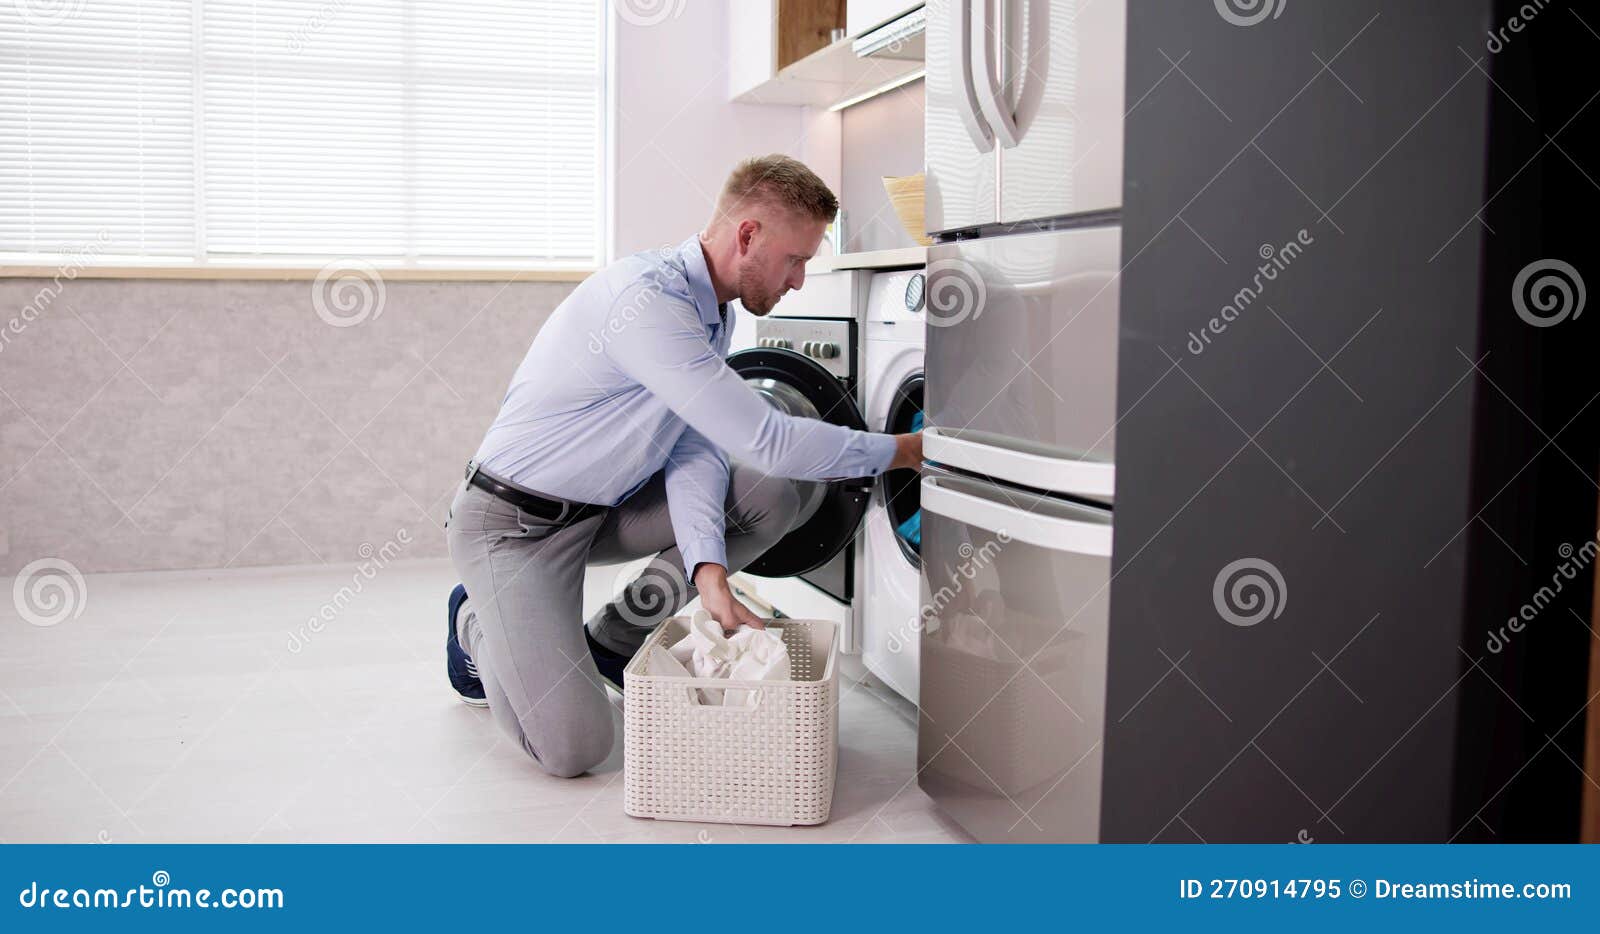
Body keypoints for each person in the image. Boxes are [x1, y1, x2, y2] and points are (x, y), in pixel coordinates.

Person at [442, 154, 923, 778]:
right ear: (747, 235)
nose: (800, 280)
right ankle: (476, 618)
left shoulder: (716, 311)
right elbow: (766, 437)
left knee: (773, 494)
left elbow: (694, 448)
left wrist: (710, 574)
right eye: (795, 259)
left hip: (602, 514)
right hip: (512, 526)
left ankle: (611, 640)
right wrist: (902, 450)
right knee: (576, 750)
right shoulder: (648, 302)